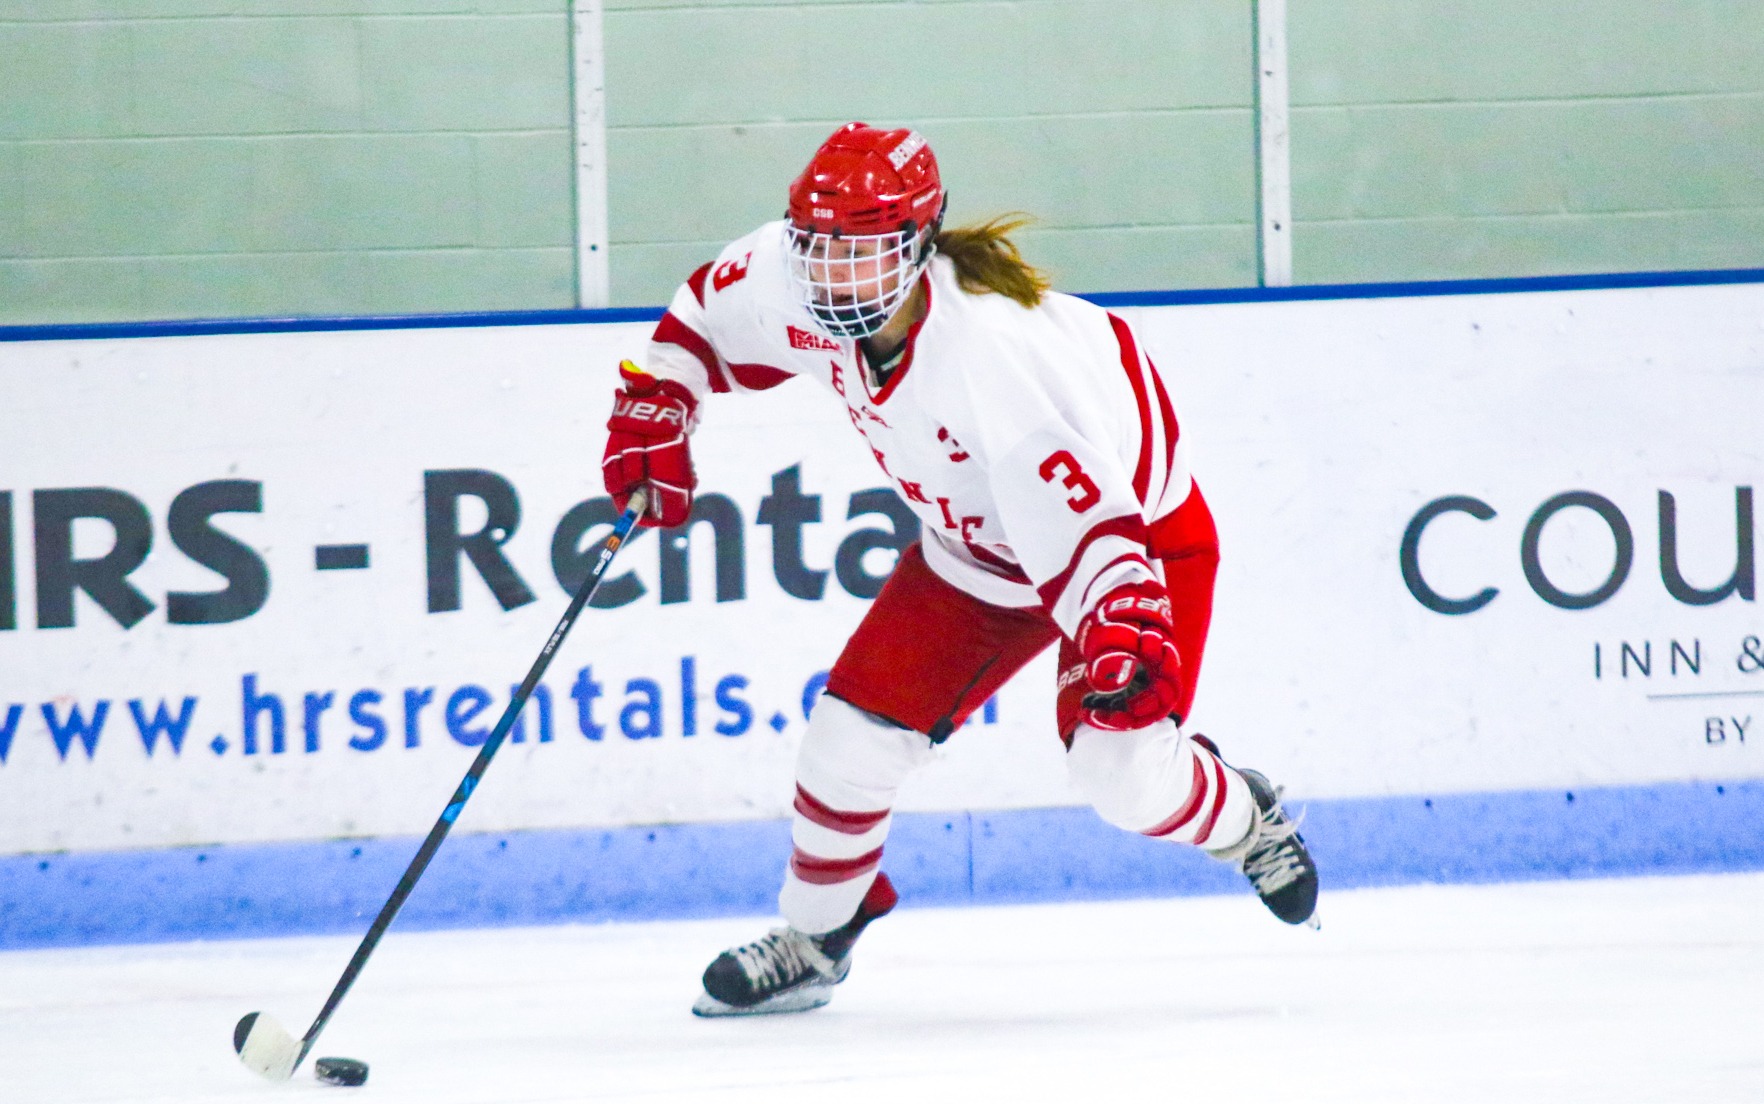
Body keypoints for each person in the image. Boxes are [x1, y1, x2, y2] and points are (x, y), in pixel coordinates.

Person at [601, 122, 1319, 1017]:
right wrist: (655, 398)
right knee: (845, 746)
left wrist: (1121, 628)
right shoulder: (794, 276)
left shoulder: (994, 358)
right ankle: (818, 938)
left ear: (916, 247)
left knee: (1123, 775)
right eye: (815, 246)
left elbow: (1097, 528)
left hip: (1133, 543)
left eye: (857, 254)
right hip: (976, 556)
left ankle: (1245, 817)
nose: (829, 275)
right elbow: (704, 316)